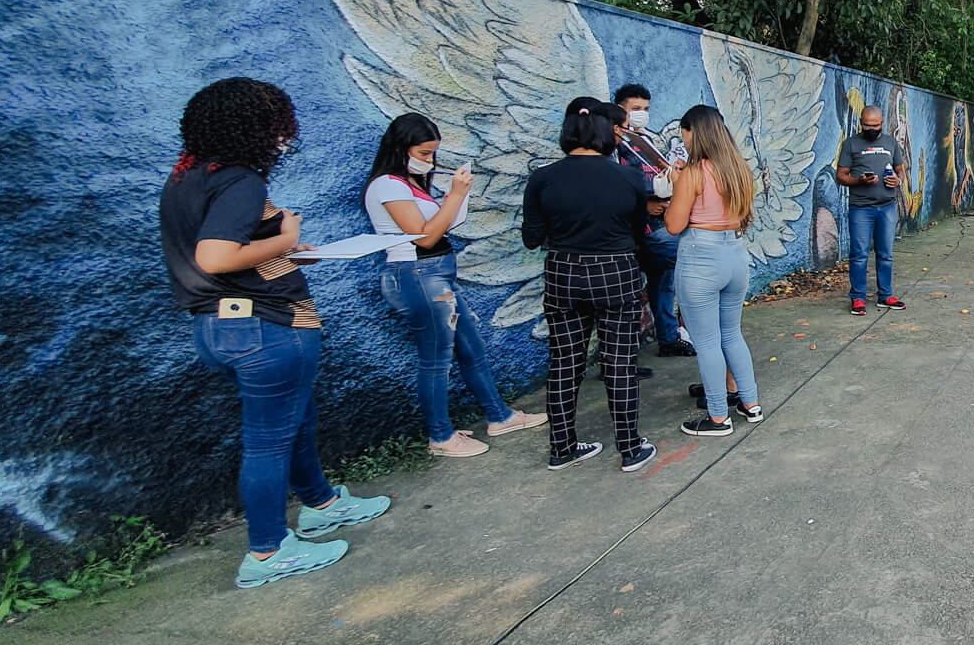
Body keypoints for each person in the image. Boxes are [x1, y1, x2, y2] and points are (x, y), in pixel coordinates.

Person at [160, 78, 389, 588]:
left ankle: (321, 504)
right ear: (255, 128)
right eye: (279, 123)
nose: (287, 134)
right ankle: (266, 552)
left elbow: (224, 252)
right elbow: (216, 257)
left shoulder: (188, 178)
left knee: (293, 423)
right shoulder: (240, 180)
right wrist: (286, 235)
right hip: (264, 328)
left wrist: (284, 250)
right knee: (268, 440)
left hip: (221, 327)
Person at [363, 114, 545, 458]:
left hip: (438, 274)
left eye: (433, 153)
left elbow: (440, 225)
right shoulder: (388, 185)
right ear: (400, 148)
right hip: (418, 275)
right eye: (423, 152)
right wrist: (455, 195)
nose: (429, 160)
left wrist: (454, 199)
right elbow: (427, 236)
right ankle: (441, 436)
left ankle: (500, 415)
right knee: (436, 359)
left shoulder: (410, 183)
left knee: (471, 348)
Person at [520, 98, 657, 473]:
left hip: (563, 273)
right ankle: (630, 447)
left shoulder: (543, 178)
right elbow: (637, 232)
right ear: (604, 134)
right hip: (616, 273)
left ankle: (562, 448)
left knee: (565, 363)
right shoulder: (628, 178)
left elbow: (532, 239)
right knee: (619, 363)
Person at [664, 104, 761, 436]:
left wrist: (678, 184)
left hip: (700, 256)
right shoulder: (739, 170)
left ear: (695, 133)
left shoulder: (693, 173)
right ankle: (750, 403)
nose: (684, 141)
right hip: (735, 254)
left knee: (706, 341)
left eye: (684, 134)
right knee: (732, 334)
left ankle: (718, 417)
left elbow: (674, 224)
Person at [611, 85, 694, 360]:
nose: (642, 115)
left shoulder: (646, 140)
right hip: (634, 230)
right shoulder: (615, 144)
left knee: (663, 283)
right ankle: (620, 356)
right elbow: (615, 186)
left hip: (658, 223)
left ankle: (669, 338)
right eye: (636, 109)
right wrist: (644, 205)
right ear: (620, 109)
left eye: (645, 109)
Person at [836, 104, 907, 315]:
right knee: (859, 255)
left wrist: (898, 180)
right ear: (861, 123)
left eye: (875, 125)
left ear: (882, 123)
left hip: (887, 207)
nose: (871, 129)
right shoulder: (851, 144)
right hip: (861, 209)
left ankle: (885, 296)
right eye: (867, 125)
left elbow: (900, 169)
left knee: (885, 255)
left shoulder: (891, 142)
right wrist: (859, 181)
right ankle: (858, 297)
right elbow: (840, 176)